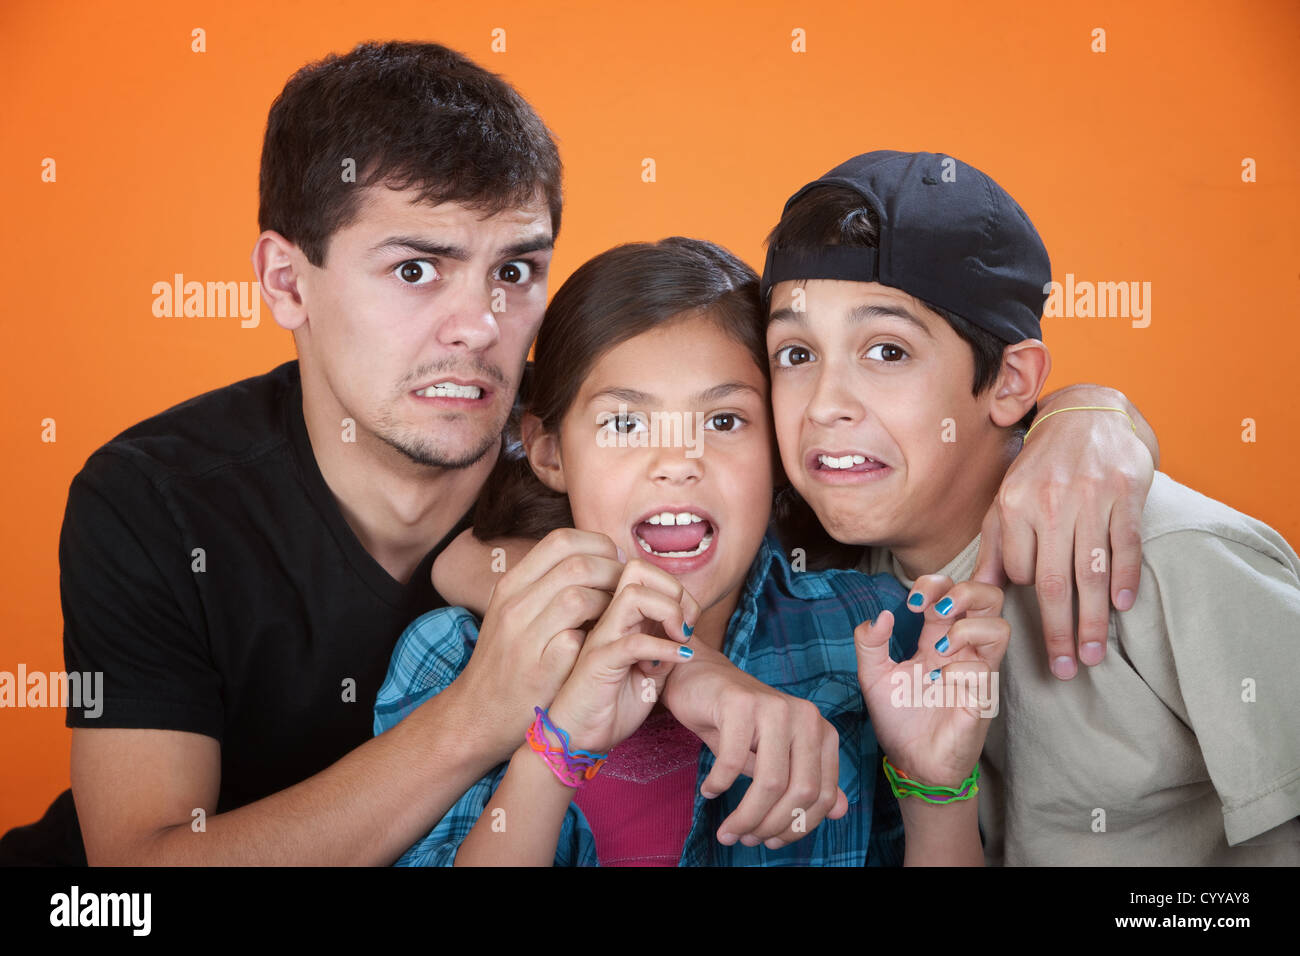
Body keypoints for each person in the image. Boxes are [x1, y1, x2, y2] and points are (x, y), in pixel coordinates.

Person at [0, 37, 1160, 865]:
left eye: (513, 269)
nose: (478, 324)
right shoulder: (157, 496)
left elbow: (830, 418)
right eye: (415, 268)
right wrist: (505, 710)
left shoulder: (595, 456)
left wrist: (1084, 416)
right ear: (282, 280)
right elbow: (137, 879)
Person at [375, 237, 1010, 865]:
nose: (679, 463)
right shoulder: (453, 656)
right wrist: (554, 755)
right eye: (625, 423)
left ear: (779, 447)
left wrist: (937, 792)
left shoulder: (875, 634)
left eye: (724, 421)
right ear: (549, 452)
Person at [759, 149, 1300, 864]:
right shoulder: (811, 581)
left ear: (1011, 382)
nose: (825, 406)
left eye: (887, 351)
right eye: (795, 354)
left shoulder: (1173, 560)